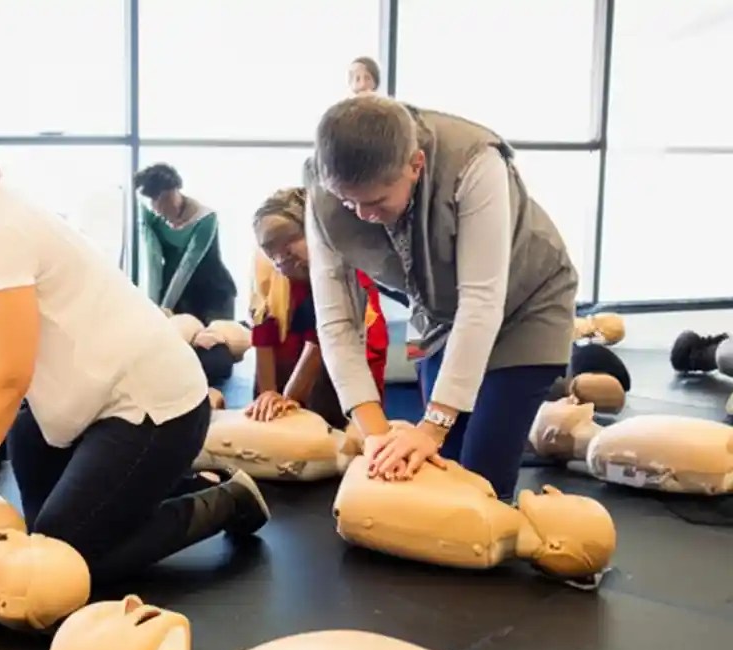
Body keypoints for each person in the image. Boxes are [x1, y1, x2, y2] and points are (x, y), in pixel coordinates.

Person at [0, 120, 269, 584]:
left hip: (152, 407)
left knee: (65, 561)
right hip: (77, 405)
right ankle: (173, 483)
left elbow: (8, 378)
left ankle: (224, 499)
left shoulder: (3, 232)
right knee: (43, 541)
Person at [305, 94, 578, 500]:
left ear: (415, 165)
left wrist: (432, 425)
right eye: (348, 202)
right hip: (439, 315)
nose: (360, 216)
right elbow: (337, 321)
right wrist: (374, 434)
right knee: (432, 470)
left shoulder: (474, 161)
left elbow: (482, 300)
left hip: (529, 306)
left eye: (376, 202)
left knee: (480, 478)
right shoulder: (322, 189)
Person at [247, 187, 389, 428]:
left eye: (289, 247)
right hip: (290, 351)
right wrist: (268, 396)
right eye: (272, 253)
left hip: (342, 352)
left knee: (333, 423)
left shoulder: (345, 268)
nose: (281, 260)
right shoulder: (266, 268)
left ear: (313, 233)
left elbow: (325, 337)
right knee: (267, 418)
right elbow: (263, 333)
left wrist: (288, 400)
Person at [134, 163, 238, 324]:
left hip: (212, 293)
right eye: (154, 202)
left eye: (165, 199)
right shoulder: (150, 216)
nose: (160, 207)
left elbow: (187, 266)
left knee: (213, 341)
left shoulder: (205, 218)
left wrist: (166, 308)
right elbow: (153, 261)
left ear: (176, 190)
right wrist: (154, 309)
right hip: (175, 293)